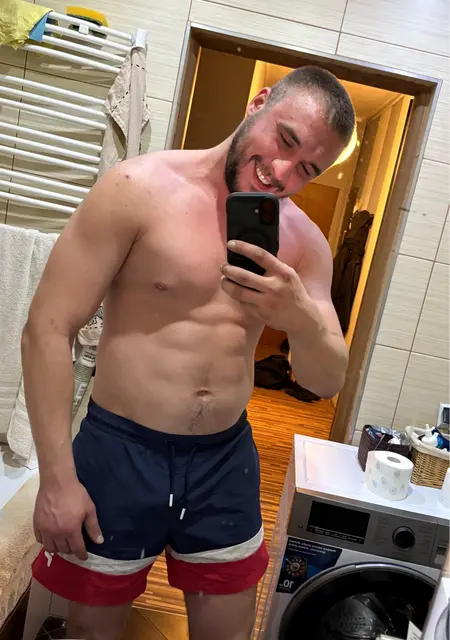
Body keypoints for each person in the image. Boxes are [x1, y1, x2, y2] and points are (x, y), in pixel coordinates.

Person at [22, 66, 355, 640]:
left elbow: (327, 379)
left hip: (224, 460)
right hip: (120, 449)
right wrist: (56, 480)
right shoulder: (137, 188)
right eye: (285, 140)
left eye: (307, 169)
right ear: (259, 102)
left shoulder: (305, 243)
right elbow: (47, 329)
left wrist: (299, 315)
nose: (281, 173)